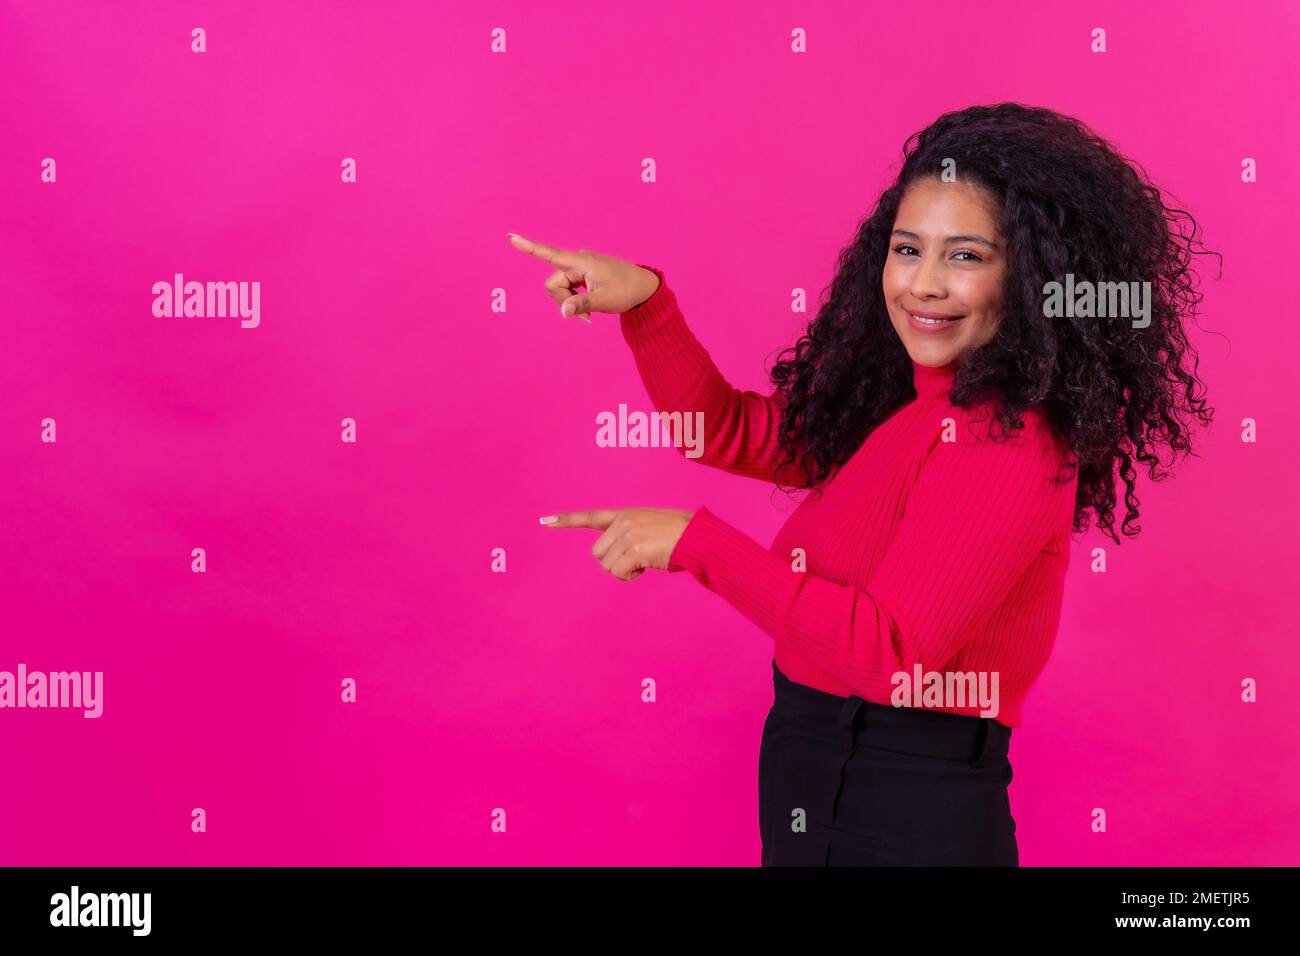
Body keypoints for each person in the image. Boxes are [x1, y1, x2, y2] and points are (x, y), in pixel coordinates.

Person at [508, 102, 1216, 866]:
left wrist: (693, 542)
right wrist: (647, 302)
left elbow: (893, 656)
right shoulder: (905, 405)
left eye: (967, 256)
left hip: (906, 795)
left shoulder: (1004, 438)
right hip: (815, 761)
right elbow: (718, 431)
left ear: (1034, 278)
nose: (924, 283)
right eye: (908, 249)